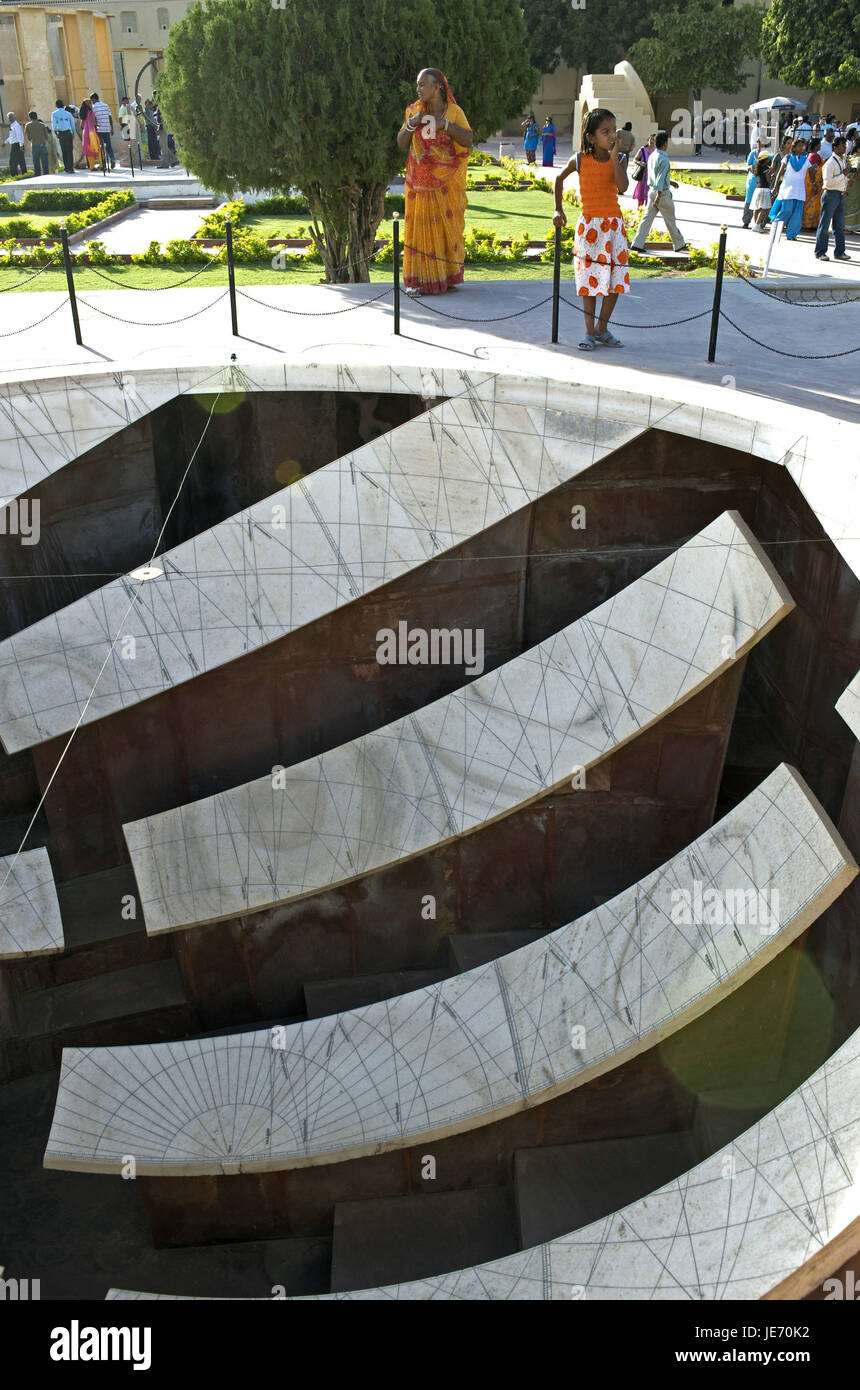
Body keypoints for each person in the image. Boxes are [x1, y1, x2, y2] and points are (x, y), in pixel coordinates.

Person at [553, 106, 630, 350]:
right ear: (590, 137)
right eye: (605, 132)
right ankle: (589, 331)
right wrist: (558, 209)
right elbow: (558, 180)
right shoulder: (579, 160)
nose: (611, 136)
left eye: (613, 131)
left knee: (614, 281)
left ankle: (602, 328)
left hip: (613, 228)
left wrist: (616, 156)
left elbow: (623, 187)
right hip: (590, 229)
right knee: (589, 281)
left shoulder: (619, 159)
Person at [396, 67, 472, 296]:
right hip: (419, 186)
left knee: (444, 228)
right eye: (417, 85)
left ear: (437, 87)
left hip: (446, 185)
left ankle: (444, 276)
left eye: (422, 85)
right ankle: (419, 280)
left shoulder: (454, 112)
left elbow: (468, 139)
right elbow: (401, 143)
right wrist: (412, 124)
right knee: (419, 231)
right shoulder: (413, 111)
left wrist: (445, 126)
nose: (418, 89)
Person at [630, 129, 689, 255]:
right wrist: (659, 196)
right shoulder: (664, 159)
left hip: (651, 191)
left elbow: (657, 176)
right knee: (670, 220)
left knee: (646, 220)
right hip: (661, 194)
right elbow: (660, 179)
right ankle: (679, 244)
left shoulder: (652, 156)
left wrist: (670, 182)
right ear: (665, 143)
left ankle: (637, 243)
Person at [815, 135, 851, 261]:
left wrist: (847, 180)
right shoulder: (830, 163)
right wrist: (843, 175)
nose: (844, 148)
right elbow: (828, 182)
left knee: (839, 226)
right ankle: (820, 252)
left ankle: (840, 252)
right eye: (842, 145)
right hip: (830, 195)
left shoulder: (842, 161)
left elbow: (840, 178)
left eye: (845, 145)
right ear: (835, 147)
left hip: (840, 195)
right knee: (824, 225)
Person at [769, 137, 810, 240]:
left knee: (797, 214)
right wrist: (775, 186)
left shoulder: (805, 160)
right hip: (788, 190)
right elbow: (780, 172)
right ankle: (775, 228)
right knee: (786, 211)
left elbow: (811, 173)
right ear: (794, 147)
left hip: (799, 191)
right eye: (799, 146)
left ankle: (792, 234)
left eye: (803, 146)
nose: (801, 148)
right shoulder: (787, 158)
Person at [742, 138, 766, 228]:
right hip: (752, 179)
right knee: (749, 199)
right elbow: (747, 165)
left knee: (761, 201)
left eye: (762, 142)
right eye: (758, 142)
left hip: (762, 180)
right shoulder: (753, 153)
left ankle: (759, 222)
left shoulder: (767, 154)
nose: (759, 144)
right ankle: (746, 221)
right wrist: (751, 167)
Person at [801, 138, 824, 232]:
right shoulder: (814, 156)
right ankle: (809, 224)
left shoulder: (811, 155)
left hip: (813, 183)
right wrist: (814, 184)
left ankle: (810, 224)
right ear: (816, 145)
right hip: (813, 184)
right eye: (819, 144)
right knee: (812, 204)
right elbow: (812, 171)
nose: (821, 146)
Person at [89, 92, 116, 168]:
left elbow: (93, 118)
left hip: (99, 129)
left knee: (101, 147)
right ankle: (112, 157)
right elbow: (110, 117)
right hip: (107, 128)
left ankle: (103, 164)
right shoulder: (105, 105)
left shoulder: (93, 107)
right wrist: (112, 128)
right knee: (108, 145)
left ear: (93, 99)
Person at [630, 132, 654, 208]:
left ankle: (647, 209)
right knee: (641, 192)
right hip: (643, 175)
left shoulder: (656, 151)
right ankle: (639, 208)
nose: (651, 141)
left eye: (653, 139)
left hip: (651, 176)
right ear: (648, 140)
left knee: (649, 193)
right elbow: (634, 159)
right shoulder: (643, 150)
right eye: (650, 139)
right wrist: (640, 163)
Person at [23, 110, 49, 177]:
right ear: (36, 116)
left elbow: (27, 136)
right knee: (45, 162)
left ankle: (38, 176)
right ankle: (46, 175)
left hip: (34, 145)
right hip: (42, 145)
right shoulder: (42, 125)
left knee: (36, 163)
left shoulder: (28, 125)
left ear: (30, 117)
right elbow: (46, 136)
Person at [750, 154, 774, 230]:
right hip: (765, 189)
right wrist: (771, 175)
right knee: (764, 208)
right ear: (766, 160)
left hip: (758, 189)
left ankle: (755, 224)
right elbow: (768, 179)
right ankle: (757, 224)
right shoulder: (766, 168)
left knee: (756, 208)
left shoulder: (758, 168)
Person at [78, 98, 100, 170]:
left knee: (88, 149)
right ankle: (102, 165)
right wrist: (97, 125)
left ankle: (92, 166)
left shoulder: (82, 113)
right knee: (98, 148)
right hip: (92, 132)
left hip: (85, 132)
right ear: (88, 104)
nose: (91, 104)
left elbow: (81, 125)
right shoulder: (91, 112)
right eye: (90, 103)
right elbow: (93, 122)